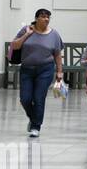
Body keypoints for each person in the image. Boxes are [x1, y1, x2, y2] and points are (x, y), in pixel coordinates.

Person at [9, 10, 64, 138]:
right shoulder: (26, 30)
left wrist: (60, 71)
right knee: (25, 99)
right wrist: (27, 35)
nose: (46, 19)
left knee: (39, 98)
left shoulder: (54, 34)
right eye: (43, 17)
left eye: (48, 17)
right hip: (27, 69)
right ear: (36, 18)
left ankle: (36, 126)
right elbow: (14, 46)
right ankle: (33, 118)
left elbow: (57, 54)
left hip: (45, 69)